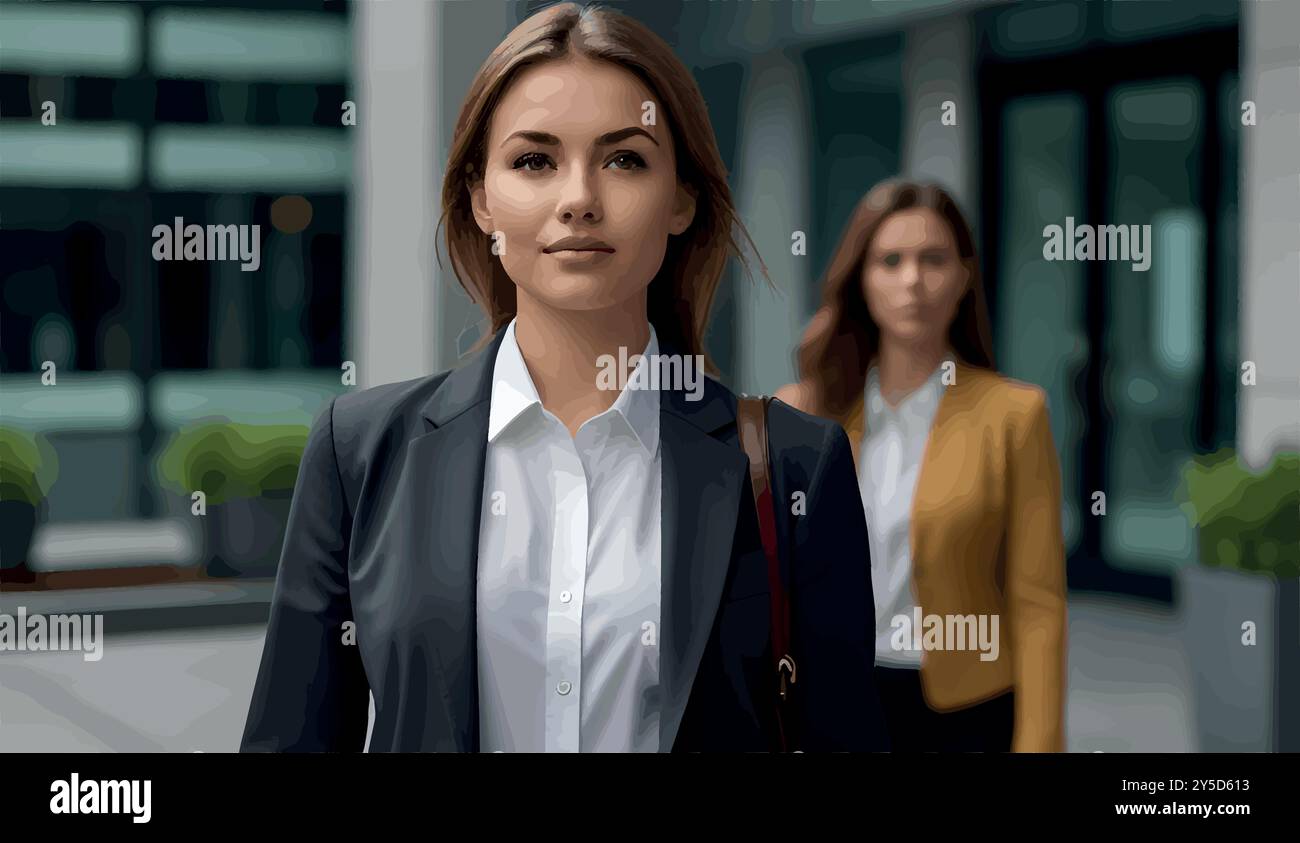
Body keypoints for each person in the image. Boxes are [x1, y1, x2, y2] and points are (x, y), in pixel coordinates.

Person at [241, 2, 886, 753]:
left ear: (682, 199)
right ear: (480, 199)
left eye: (624, 159)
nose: (579, 198)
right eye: (534, 161)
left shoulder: (796, 465)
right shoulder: (358, 452)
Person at [776, 180, 1068, 752]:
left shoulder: (1014, 413)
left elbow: (1039, 604)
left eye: (933, 259)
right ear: (861, 278)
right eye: (890, 261)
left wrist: (1040, 745)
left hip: (967, 710)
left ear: (963, 276)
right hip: (835, 700)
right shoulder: (801, 413)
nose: (913, 280)